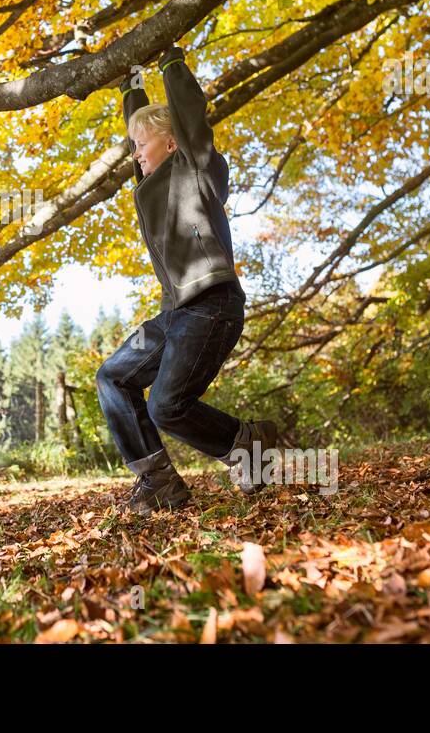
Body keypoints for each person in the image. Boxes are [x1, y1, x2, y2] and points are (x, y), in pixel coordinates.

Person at [97, 45, 284, 514]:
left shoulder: (197, 168)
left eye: (143, 146)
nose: (136, 155)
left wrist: (170, 61)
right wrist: (130, 86)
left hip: (212, 304)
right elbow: (142, 129)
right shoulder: (151, 187)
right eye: (134, 146)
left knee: (166, 405)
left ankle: (248, 447)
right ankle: (159, 481)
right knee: (113, 377)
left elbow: (188, 118)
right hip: (175, 313)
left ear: (174, 141)